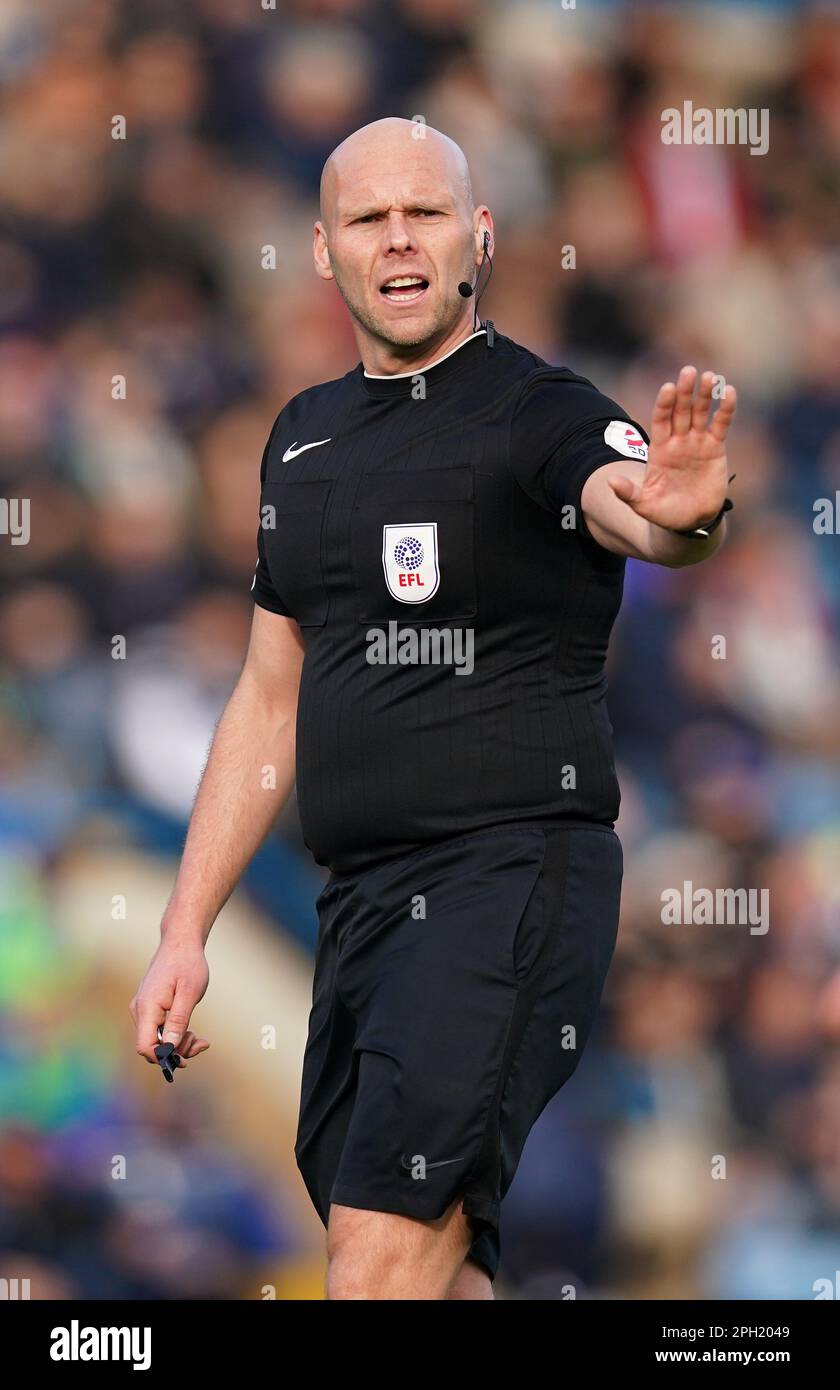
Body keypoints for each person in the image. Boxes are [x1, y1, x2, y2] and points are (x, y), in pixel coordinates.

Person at [130, 117, 737, 1300]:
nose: (399, 241)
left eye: (426, 213)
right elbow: (267, 698)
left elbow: (640, 510)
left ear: (480, 236)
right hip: (358, 907)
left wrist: (685, 512)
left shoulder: (537, 410)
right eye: (369, 218)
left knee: (378, 1261)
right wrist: (184, 928)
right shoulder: (300, 439)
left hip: (504, 879)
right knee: (432, 1271)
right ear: (324, 250)